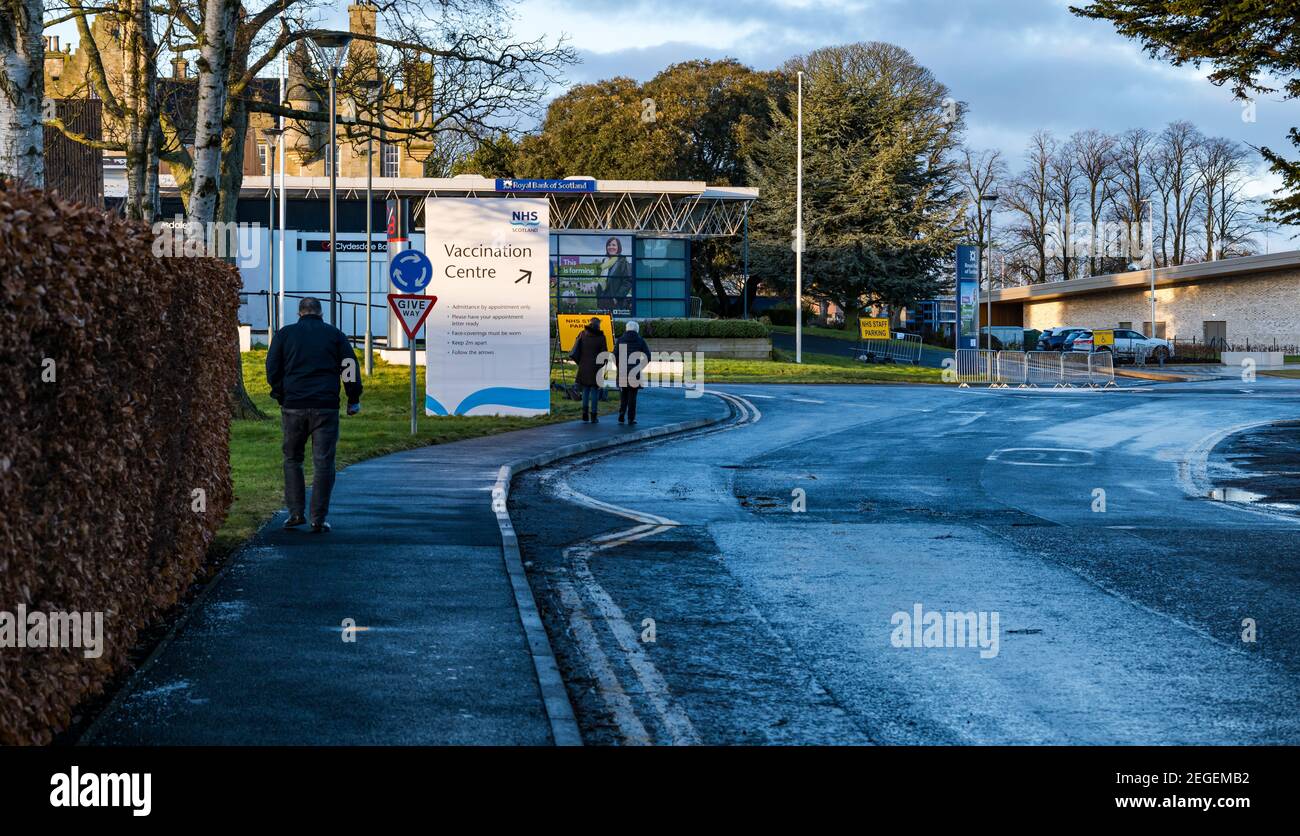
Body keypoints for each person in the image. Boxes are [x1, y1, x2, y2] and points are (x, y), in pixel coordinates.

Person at [265, 297, 363, 533]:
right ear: (321, 314)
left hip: (293, 406)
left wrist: (280, 394)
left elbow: (272, 368)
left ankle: (295, 513)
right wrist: (353, 398)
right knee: (324, 463)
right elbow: (349, 366)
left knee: (292, 459)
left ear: (299, 313)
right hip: (325, 407)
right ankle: (318, 518)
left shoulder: (284, 335)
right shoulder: (335, 335)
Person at [569, 316, 608, 423]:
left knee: (585, 390)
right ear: (598, 325)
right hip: (595, 368)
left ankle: (584, 415)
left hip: (583, 366)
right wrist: (603, 365)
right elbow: (604, 354)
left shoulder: (582, 334)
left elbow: (576, 349)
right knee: (594, 391)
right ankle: (594, 416)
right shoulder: (601, 337)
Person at [614, 320, 651, 425]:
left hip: (622, 371)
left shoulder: (620, 340)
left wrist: (619, 366)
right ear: (637, 329)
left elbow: (614, 355)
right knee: (632, 396)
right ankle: (631, 418)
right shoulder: (640, 340)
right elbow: (648, 356)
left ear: (627, 328)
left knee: (623, 395)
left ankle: (621, 414)